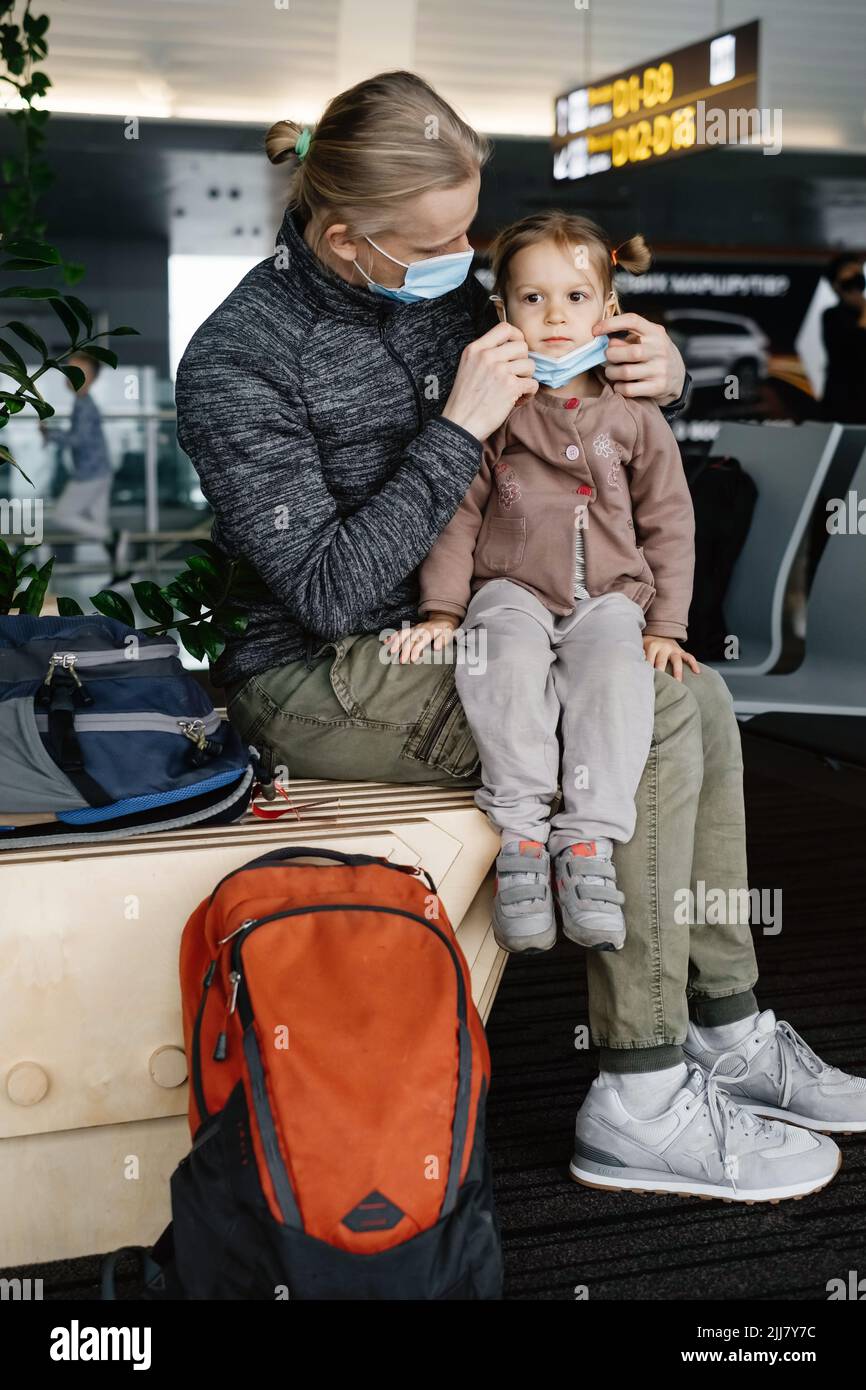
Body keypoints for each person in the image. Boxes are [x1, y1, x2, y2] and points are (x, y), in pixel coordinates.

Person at [175, 70, 864, 1205]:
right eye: (438, 239)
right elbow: (328, 594)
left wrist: (661, 379)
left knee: (680, 689)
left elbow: (581, 419)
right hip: (323, 673)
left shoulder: (448, 298)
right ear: (347, 239)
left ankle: (726, 1024)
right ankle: (638, 1088)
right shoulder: (240, 361)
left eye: (472, 228)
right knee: (655, 718)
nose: (466, 260)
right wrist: (457, 428)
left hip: (504, 626)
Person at [389, 211, 697, 956]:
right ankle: (522, 836)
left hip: (611, 600)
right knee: (501, 665)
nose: (555, 316)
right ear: (502, 311)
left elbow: (670, 522)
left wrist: (667, 627)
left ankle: (586, 847)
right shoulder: (499, 406)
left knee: (615, 684)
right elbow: (458, 514)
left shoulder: (635, 415)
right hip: (511, 588)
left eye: (575, 298)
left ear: (611, 311)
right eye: (532, 299)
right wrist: (442, 610)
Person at [39, 351, 130, 580]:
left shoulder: (85, 406)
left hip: (90, 473)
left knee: (63, 515)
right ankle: (124, 572)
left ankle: (117, 537)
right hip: (100, 470)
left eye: (77, 372)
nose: (69, 376)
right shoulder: (82, 403)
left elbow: (78, 439)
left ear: (92, 378)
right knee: (99, 526)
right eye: (68, 370)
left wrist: (52, 436)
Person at [820, 253, 866, 424]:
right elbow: (851, 350)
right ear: (836, 285)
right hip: (843, 403)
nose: (856, 277)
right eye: (850, 273)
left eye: (859, 272)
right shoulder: (832, 316)